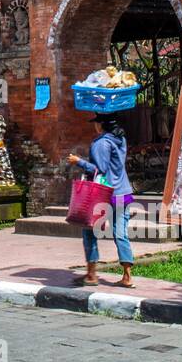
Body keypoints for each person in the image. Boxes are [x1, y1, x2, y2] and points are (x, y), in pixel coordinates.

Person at [67, 112, 135, 289]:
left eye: (96, 123)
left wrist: (79, 162)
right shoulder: (121, 140)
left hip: (103, 195)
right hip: (123, 192)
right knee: (120, 233)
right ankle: (127, 276)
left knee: (89, 232)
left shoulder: (101, 143)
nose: (94, 126)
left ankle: (91, 274)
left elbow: (100, 169)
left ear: (101, 125)